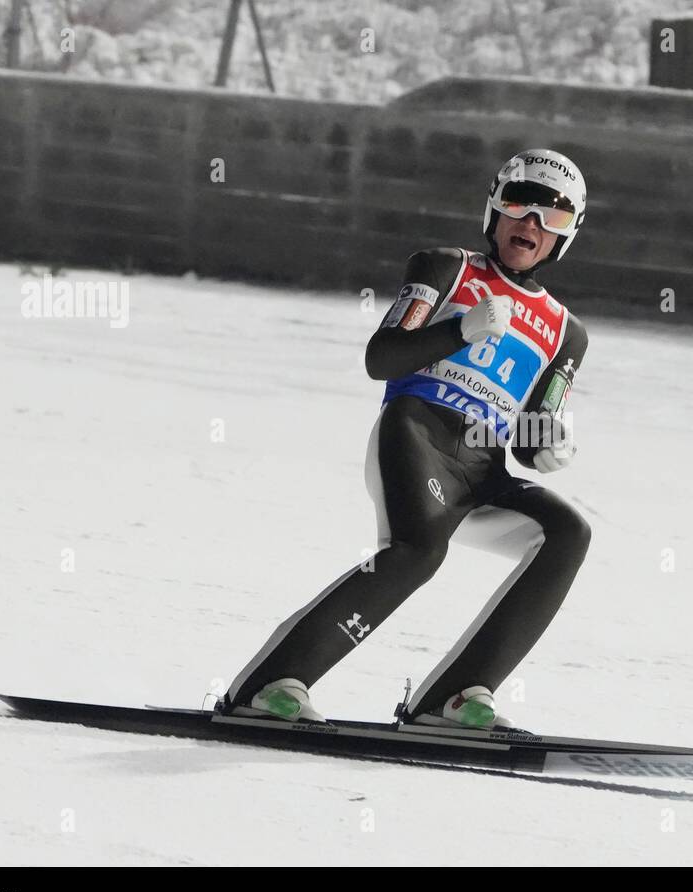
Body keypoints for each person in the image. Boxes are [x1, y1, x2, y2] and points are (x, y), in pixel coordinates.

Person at [225, 148, 591, 730]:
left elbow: (530, 434)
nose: (533, 224)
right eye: (522, 204)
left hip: (483, 466)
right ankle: (268, 686)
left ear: (567, 235)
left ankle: (455, 698)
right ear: (495, 209)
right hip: (416, 432)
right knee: (418, 552)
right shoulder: (446, 268)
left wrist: (548, 442)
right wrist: (459, 328)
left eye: (555, 216)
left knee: (568, 531)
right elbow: (383, 357)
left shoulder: (567, 333)